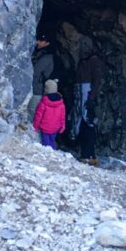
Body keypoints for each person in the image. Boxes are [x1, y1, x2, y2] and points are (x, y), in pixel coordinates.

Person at [71, 37, 105, 166]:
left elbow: (97, 81)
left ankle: (89, 154)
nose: (82, 48)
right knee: (81, 123)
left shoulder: (94, 61)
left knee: (89, 124)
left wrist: (92, 97)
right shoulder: (84, 61)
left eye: (85, 46)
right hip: (81, 96)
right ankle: (84, 152)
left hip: (87, 96)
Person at [32, 80, 66, 149]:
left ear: (46, 90)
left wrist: (35, 126)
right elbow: (62, 116)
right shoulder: (61, 103)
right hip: (55, 128)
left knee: (46, 144)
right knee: (52, 141)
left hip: (45, 128)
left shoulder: (43, 103)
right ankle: (53, 151)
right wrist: (62, 126)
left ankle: (49, 155)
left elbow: (38, 116)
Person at [28, 35, 54, 123]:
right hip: (36, 88)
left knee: (33, 112)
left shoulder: (46, 57)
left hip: (37, 89)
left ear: (47, 43)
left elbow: (35, 72)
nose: (38, 42)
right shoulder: (40, 54)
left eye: (41, 40)